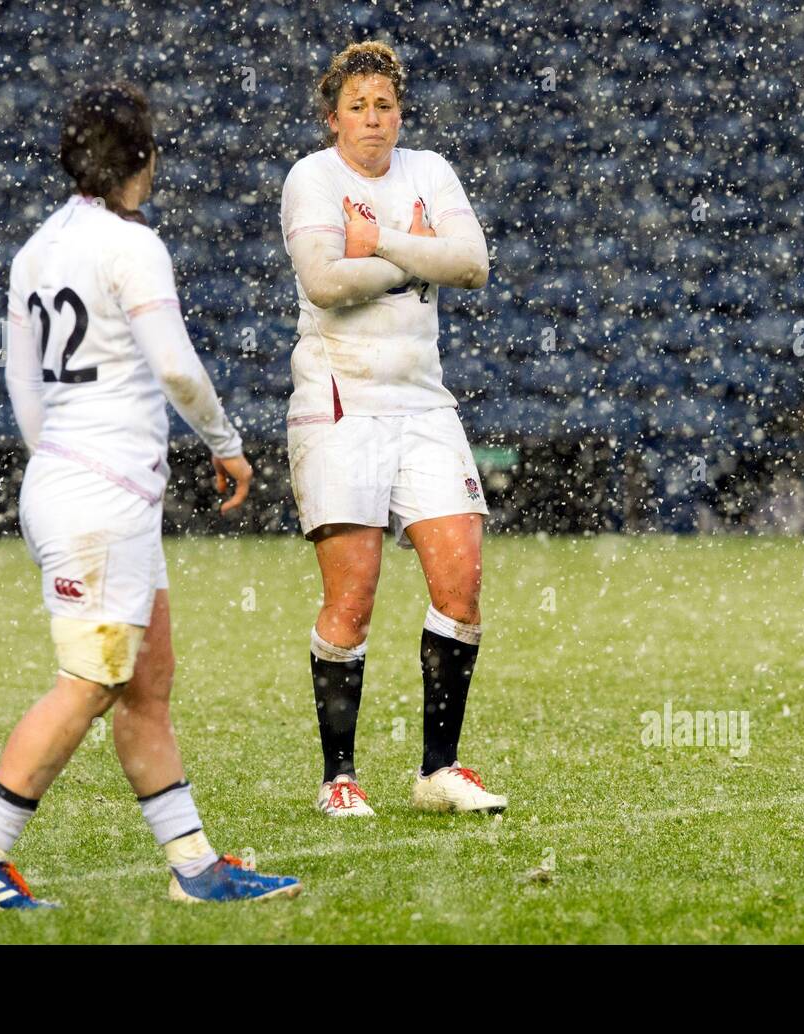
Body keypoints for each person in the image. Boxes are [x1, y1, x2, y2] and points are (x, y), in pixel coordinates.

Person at [0, 82, 300, 907]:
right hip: (101, 500)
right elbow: (173, 365)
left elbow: (22, 384)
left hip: (74, 484)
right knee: (92, 683)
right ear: (140, 161)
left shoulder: (35, 250)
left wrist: (61, 465)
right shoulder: (132, 246)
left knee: (147, 682)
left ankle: (196, 868)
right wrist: (226, 446)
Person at [280, 42, 507, 817]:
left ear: (398, 112)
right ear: (333, 117)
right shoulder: (311, 178)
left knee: (463, 582)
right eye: (357, 107)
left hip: (422, 403)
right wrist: (421, 257)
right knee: (354, 598)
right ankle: (338, 778)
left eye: (384, 106)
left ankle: (437, 771)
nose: (372, 120)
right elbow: (325, 282)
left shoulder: (430, 171)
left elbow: (473, 263)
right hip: (339, 400)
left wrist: (377, 243)